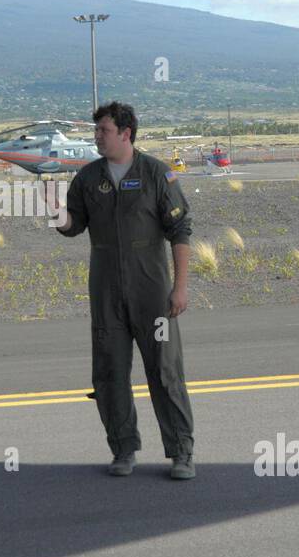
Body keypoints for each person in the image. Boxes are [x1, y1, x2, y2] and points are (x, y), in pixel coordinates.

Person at [53, 101, 196, 480]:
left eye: (103, 130)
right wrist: (56, 215)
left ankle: (181, 452)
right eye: (96, 130)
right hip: (106, 293)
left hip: (153, 294)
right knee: (109, 372)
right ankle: (123, 448)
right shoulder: (87, 179)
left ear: (125, 134)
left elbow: (180, 233)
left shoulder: (156, 175)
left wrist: (179, 288)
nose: (97, 136)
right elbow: (73, 226)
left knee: (165, 372)